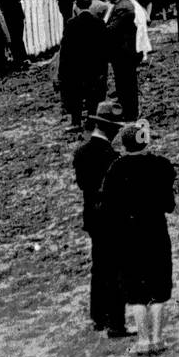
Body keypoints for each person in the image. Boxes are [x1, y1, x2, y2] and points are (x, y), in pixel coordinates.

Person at [100, 121, 176, 355]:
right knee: (159, 288)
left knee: (135, 291)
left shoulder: (115, 169)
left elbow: (108, 209)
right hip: (156, 233)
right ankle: (158, 338)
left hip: (128, 238)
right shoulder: (162, 166)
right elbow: (169, 206)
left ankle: (143, 341)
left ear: (124, 144)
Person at [72, 101, 131, 337]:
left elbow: (82, 185)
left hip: (93, 217)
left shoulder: (81, 152)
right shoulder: (112, 157)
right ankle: (115, 321)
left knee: (99, 266)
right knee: (115, 268)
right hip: (112, 218)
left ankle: (98, 316)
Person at [58, 0, 108, 131]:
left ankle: (76, 122)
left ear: (76, 6)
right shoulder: (99, 23)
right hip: (94, 66)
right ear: (90, 4)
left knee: (76, 94)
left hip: (76, 67)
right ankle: (92, 120)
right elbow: (104, 47)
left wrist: (63, 70)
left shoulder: (71, 24)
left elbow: (65, 50)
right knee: (93, 95)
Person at [103, 0, 141, 121]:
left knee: (125, 84)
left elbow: (112, 29)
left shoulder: (121, 8)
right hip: (128, 51)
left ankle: (129, 113)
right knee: (127, 84)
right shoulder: (125, 3)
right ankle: (130, 111)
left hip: (123, 53)